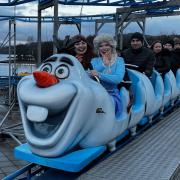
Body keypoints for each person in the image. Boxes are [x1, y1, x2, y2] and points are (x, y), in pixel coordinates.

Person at [90, 34, 125, 117]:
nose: (104, 48)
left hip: (111, 94)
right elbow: (89, 76)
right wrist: (103, 65)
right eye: (101, 46)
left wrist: (99, 74)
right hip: (94, 94)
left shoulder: (119, 61)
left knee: (100, 111)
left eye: (106, 45)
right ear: (98, 49)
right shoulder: (94, 61)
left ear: (112, 47)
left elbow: (118, 79)